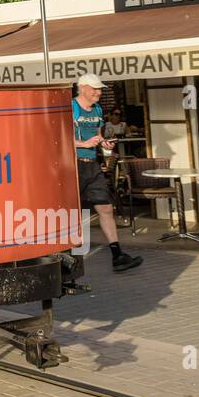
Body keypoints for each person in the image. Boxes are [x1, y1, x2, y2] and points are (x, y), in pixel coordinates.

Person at [73, 74, 142, 273]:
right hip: (74, 164)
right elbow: (57, 137)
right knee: (72, 211)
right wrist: (82, 144)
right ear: (82, 87)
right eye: (94, 88)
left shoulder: (98, 109)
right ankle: (68, 256)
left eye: (100, 89)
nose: (98, 92)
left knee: (105, 208)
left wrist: (104, 142)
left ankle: (117, 255)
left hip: (93, 165)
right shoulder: (71, 108)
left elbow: (98, 134)